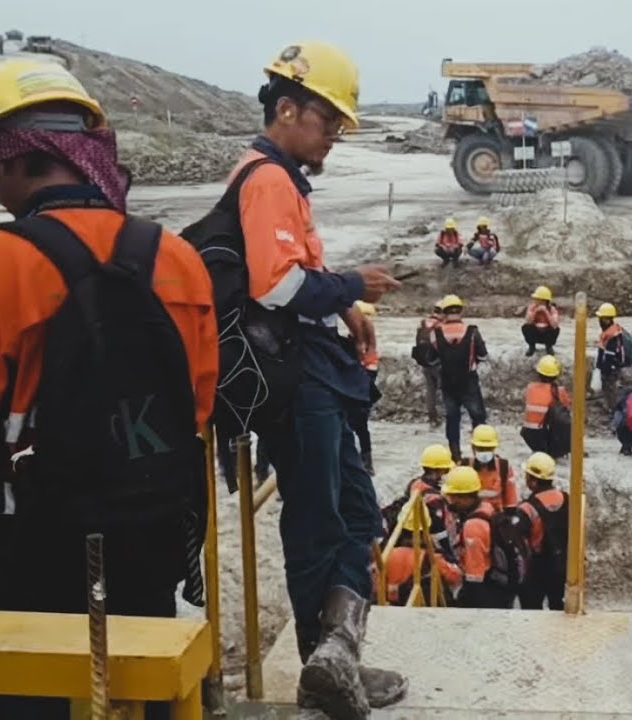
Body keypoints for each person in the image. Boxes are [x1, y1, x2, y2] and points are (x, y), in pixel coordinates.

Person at [0, 59, 217, 720]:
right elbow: (194, 409)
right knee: (136, 694)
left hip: (23, 556)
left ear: (7, 163)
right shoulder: (177, 260)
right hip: (148, 543)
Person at [234, 41, 405, 715]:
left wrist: (346, 305)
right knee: (317, 522)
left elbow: (296, 282)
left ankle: (338, 659)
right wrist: (351, 286)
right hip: (298, 386)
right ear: (286, 109)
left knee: (355, 513)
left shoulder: (284, 182)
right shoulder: (267, 179)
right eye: (328, 121)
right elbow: (275, 285)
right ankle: (323, 666)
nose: (335, 136)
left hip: (318, 376)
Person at [441, 466, 515, 609]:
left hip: (488, 591)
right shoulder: (486, 507)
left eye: (452, 496)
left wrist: (465, 600)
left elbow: (474, 575)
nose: (450, 501)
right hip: (501, 583)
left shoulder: (473, 526)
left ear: (461, 497)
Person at [428, 294, 489, 462]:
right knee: (478, 417)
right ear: (461, 311)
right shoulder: (472, 331)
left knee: (453, 418)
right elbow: (483, 356)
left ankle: (456, 455)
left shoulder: (436, 333)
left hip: (448, 382)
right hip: (469, 381)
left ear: (444, 312)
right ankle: (481, 454)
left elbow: (431, 359)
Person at [382, 500, 462, 607]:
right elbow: (455, 577)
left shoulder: (385, 555)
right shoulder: (432, 559)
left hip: (390, 606)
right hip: (422, 608)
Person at [516, 452, 568, 611]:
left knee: (531, 609)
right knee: (558, 607)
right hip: (562, 564)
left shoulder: (527, 508)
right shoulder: (567, 499)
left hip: (536, 567)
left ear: (533, 481)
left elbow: (520, 544)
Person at [521, 355, 573, 458]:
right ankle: (558, 450)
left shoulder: (530, 388)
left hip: (528, 435)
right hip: (546, 436)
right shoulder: (559, 391)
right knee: (567, 420)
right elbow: (567, 408)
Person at [351, 300, 380, 475]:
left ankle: (365, 462)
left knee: (358, 426)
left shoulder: (362, 339)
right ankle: (366, 462)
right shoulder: (367, 339)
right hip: (364, 386)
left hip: (360, 385)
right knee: (361, 427)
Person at [463, 425, 518, 511]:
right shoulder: (464, 467)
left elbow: (511, 502)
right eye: (480, 448)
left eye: (488, 449)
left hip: (497, 517)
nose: (484, 452)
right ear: (473, 447)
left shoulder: (504, 467)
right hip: (470, 516)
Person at [594, 302, 632, 417]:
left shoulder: (612, 335)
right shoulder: (611, 331)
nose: (599, 321)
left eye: (601, 318)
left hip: (612, 367)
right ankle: (613, 408)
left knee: (610, 389)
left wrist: (604, 370)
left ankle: (615, 411)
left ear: (606, 319)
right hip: (611, 366)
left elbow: (609, 355)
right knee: (610, 388)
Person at [412, 302, 445, 428]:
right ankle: (448, 415)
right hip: (439, 362)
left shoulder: (423, 323)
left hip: (425, 361)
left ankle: (432, 417)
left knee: (430, 390)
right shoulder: (440, 326)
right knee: (445, 389)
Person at [522, 285, 561, 356]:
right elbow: (528, 322)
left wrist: (546, 312)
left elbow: (554, 325)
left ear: (543, 300)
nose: (535, 300)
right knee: (525, 327)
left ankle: (549, 347)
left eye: (537, 299)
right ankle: (532, 347)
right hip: (536, 333)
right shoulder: (532, 307)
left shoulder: (552, 309)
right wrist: (535, 312)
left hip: (547, 333)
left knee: (556, 330)